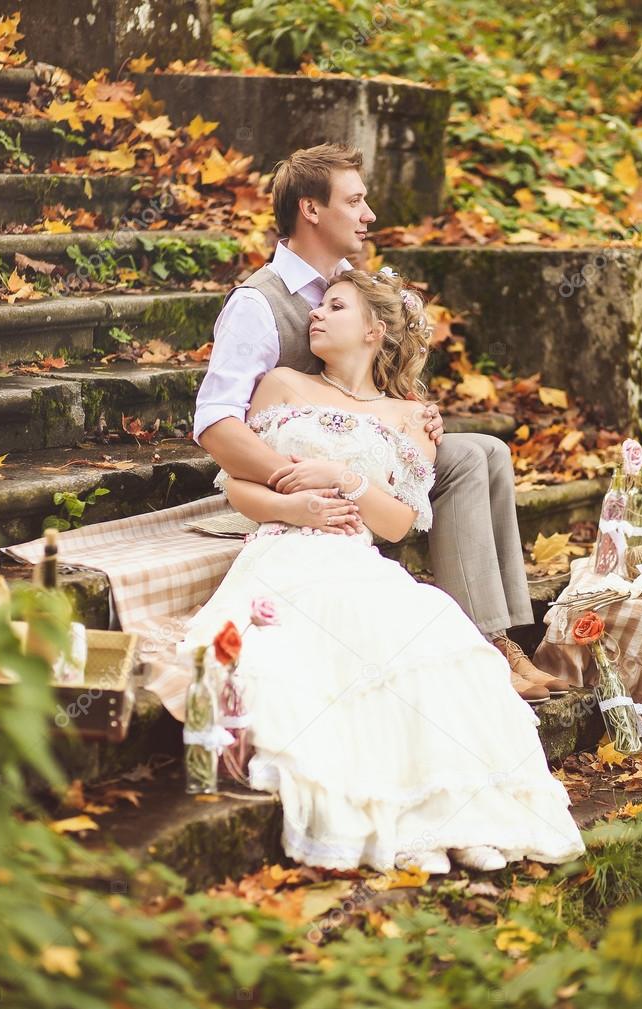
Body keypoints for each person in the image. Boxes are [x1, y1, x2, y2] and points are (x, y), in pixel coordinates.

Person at [181, 269, 584, 874]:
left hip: (355, 557)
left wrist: (344, 478)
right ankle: (393, 813)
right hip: (281, 551)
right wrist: (292, 505)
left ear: (374, 330)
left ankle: (457, 809)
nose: (316, 314)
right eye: (319, 306)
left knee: (428, 637)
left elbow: (397, 523)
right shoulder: (282, 384)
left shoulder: (411, 416)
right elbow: (239, 484)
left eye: (335, 306)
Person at [193, 143, 569, 704]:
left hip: (362, 447)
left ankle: (505, 634)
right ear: (311, 210)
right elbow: (214, 424)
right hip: (297, 460)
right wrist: (293, 476)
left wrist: (414, 414)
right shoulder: (259, 303)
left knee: (488, 449)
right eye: (356, 200)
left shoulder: (353, 282)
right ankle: (483, 637)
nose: (369, 215)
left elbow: (378, 377)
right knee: (467, 460)